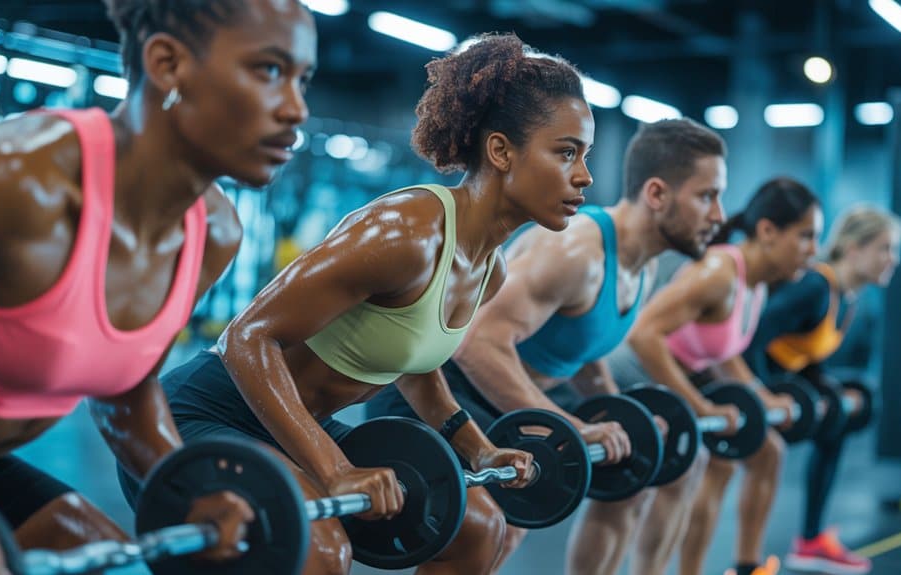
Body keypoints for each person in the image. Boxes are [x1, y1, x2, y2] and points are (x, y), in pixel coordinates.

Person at [134, 33, 591, 575]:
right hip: (202, 415)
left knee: (477, 527)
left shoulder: (490, 271)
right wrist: (333, 470)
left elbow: (415, 368)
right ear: (500, 151)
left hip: (296, 424)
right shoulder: (406, 233)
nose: (583, 175)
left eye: (584, 156)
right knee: (322, 551)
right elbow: (245, 337)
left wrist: (480, 450)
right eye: (566, 153)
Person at [0, 0, 317, 571]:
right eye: (268, 70)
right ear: (167, 63)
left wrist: (184, 486)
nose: (295, 109)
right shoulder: (18, 180)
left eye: (303, 79)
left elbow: (126, 395)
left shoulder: (212, 233)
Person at [368, 117, 729, 575]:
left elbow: (585, 352)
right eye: (707, 196)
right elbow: (477, 345)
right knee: (499, 519)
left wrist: (617, 416)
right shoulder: (578, 252)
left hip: (504, 399)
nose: (719, 215)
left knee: (633, 473)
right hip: (435, 390)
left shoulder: (642, 267)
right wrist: (571, 425)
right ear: (657, 194)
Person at [622, 177, 823, 575]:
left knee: (762, 453)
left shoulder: (755, 282)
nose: (814, 251)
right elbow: (643, 335)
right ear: (767, 231)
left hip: (679, 380)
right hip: (634, 379)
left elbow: (723, 355)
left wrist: (762, 396)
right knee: (703, 464)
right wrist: (699, 405)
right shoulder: (719, 271)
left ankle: (745, 567)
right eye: (805, 237)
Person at [742, 206, 901, 574]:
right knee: (756, 460)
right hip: (744, 376)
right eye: (884, 248)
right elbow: (752, 337)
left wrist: (826, 390)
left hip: (781, 381)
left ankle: (811, 541)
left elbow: (803, 357)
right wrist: (763, 395)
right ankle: (745, 561)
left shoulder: (847, 299)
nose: (891, 260)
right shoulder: (816, 287)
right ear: (853, 248)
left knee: (836, 426)